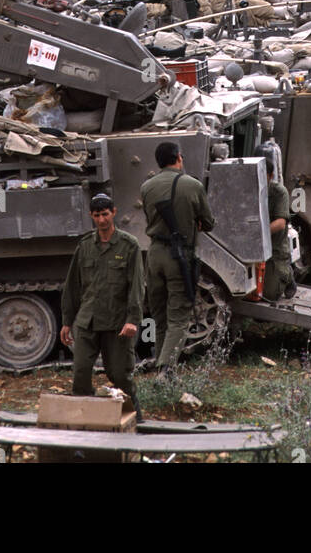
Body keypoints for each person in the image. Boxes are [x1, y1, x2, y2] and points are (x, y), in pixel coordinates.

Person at [59, 191, 144, 417]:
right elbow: (72, 286)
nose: (101, 220)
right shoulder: (85, 246)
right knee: (81, 373)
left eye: (105, 214)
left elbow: (136, 285)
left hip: (117, 323)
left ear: (114, 213)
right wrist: (67, 321)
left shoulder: (129, 245)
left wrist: (133, 320)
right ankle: (84, 423)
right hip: (87, 321)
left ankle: (135, 419)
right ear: (91, 216)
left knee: (119, 375)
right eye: (96, 215)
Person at [140, 141, 215, 373]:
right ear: (179, 158)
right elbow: (208, 223)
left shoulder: (147, 187)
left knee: (160, 316)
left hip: (154, 255)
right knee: (179, 317)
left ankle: (160, 364)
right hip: (179, 256)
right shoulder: (192, 185)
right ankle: (165, 369)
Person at [259, 146, 296, 301]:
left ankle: (288, 276)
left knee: (269, 294)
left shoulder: (279, 192)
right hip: (256, 247)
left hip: (275, 249)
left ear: (270, 176)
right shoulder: (250, 189)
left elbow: (280, 223)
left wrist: (258, 233)